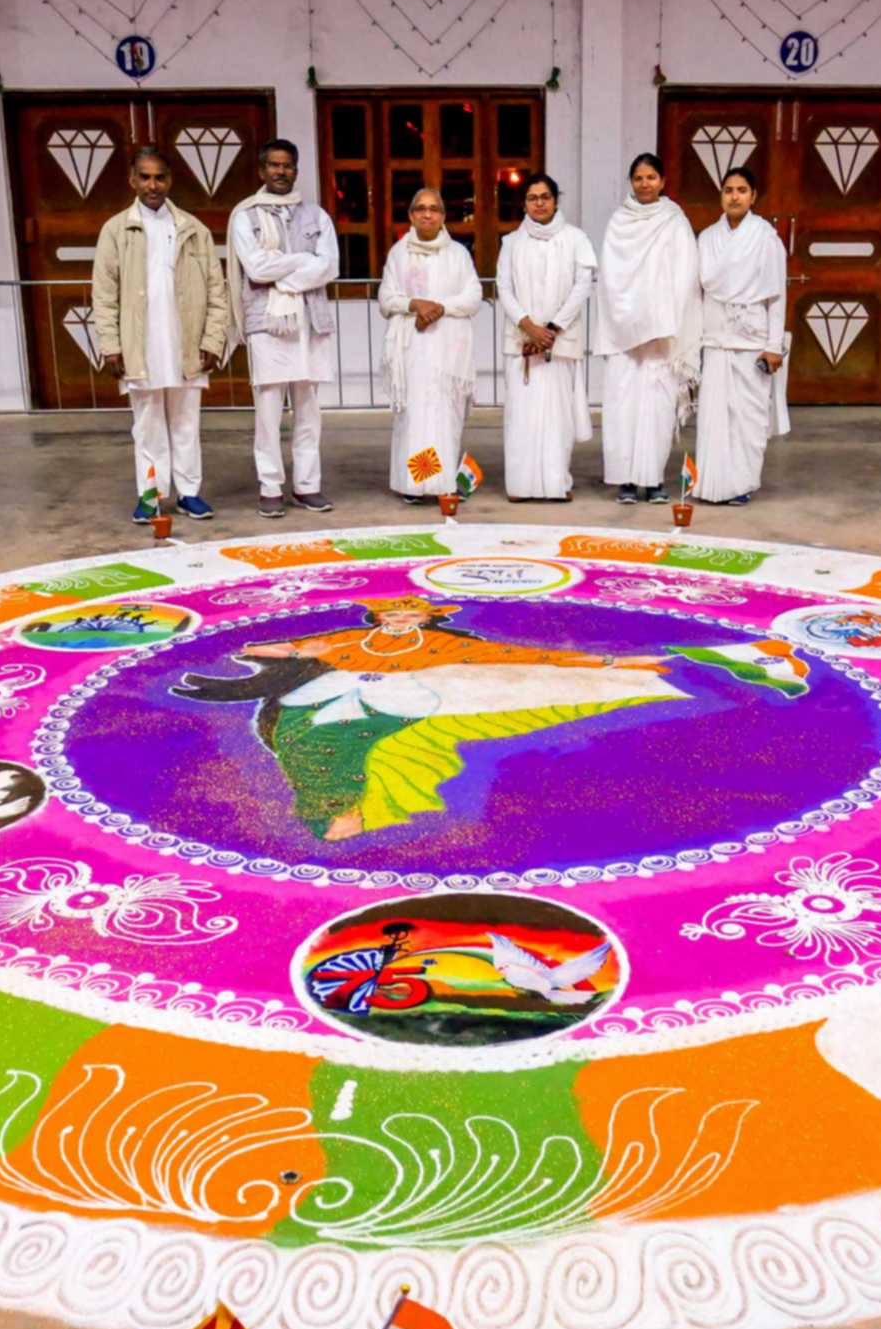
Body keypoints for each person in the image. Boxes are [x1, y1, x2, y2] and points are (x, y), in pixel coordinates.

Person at [169, 597, 674, 841]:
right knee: (296, 734)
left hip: (399, 700)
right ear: (379, 618)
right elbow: (289, 647)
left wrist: (613, 663)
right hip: (323, 695)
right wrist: (254, 647)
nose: (400, 619)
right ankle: (330, 808)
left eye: (411, 616)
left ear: (427, 621)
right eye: (392, 615)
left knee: (352, 745)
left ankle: (341, 813)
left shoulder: (443, 645)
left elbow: (526, 656)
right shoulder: (346, 642)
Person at [90, 146, 228, 524]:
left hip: (186, 344)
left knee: (186, 422)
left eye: (160, 177)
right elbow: (103, 294)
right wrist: (111, 346)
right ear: (133, 180)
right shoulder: (116, 230)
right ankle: (151, 495)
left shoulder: (193, 230)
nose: (153, 184)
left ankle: (189, 493)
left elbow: (218, 290)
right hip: (140, 345)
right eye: (145, 177)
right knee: (148, 423)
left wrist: (213, 341)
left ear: (170, 180)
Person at [226, 139, 339, 519]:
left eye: (287, 165)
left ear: (296, 169)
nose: (281, 172)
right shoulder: (246, 216)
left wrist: (285, 277)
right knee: (269, 411)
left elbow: (330, 266)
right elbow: (255, 269)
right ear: (262, 171)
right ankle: (270, 486)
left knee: (308, 410)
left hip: (310, 323)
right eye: (273, 165)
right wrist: (303, 261)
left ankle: (308, 485)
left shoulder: (316, 216)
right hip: (267, 326)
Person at [593, 152, 701, 505]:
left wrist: (662, 318)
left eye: (651, 177)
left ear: (663, 181)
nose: (645, 184)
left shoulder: (674, 220)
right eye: (638, 178)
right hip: (624, 334)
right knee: (623, 406)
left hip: (663, 333)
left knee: (657, 407)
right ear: (631, 182)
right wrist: (631, 320)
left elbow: (685, 273)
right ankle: (625, 481)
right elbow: (611, 277)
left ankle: (653, 480)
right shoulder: (618, 222)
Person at [378, 188, 483, 504]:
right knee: (416, 418)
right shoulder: (399, 253)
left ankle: (442, 483)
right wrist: (414, 305)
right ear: (411, 215)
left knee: (445, 417)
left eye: (434, 208)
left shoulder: (458, 254)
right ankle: (416, 484)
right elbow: (386, 298)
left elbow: (473, 296)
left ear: (443, 215)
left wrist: (437, 308)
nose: (427, 214)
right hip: (412, 350)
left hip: (449, 350)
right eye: (420, 208)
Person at [497, 173, 596, 502]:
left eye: (545, 197)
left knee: (557, 419)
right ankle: (520, 487)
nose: (539, 203)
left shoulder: (575, 238)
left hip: (559, 342)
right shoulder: (511, 243)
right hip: (521, 343)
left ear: (556, 200)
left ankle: (556, 484)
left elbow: (582, 286)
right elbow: (504, 288)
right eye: (532, 197)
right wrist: (529, 326)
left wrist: (551, 329)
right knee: (521, 418)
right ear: (524, 203)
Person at [694, 166, 788, 506]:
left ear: (753, 196)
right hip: (716, 340)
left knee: (748, 419)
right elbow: (697, 293)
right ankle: (711, 484)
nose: (734, 196)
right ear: (721, 196)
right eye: (729, 190)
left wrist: (773, 346)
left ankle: (742, 484)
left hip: (752, 342)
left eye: (741, 190)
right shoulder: (706, 238)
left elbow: (775, 296)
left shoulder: (766, 239)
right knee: (713, 417)